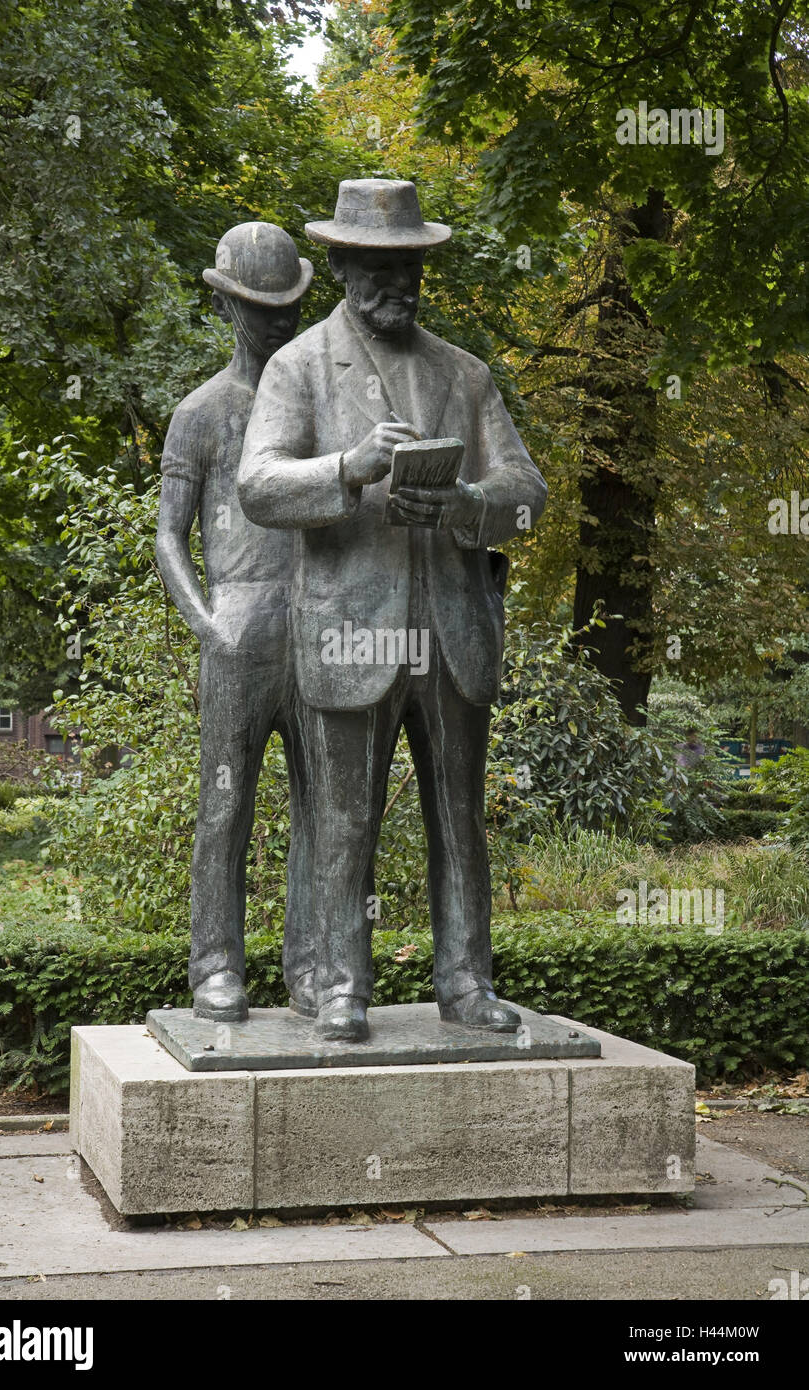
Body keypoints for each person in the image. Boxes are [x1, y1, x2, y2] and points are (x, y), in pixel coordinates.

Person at [238, 180, 547, 1041]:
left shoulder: (464, 374)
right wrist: (347, 466)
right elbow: (257, 485)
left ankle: (466, 982)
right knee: (341, 820)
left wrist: (465, 505)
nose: (394, 283)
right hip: (349, 629)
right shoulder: (298, 367)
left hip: (450, 631)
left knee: (459, 815)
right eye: (375, 267)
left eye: (406, 266)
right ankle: (339, 986)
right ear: (339, 265)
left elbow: (528, 496)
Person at [156, 222, 315, 1022]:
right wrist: (208, 625)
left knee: (327, 809)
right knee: (224, 806)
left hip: (320, 631)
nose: (278, 318)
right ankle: (215, 967)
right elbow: (167, 535)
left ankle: (315, 968)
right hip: (238, 630)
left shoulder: (320, 404)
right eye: (260, 305)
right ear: (227, 306)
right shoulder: (202, 411)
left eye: (288, 303)